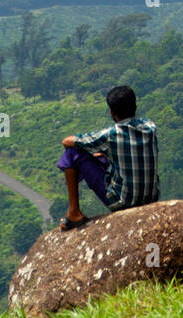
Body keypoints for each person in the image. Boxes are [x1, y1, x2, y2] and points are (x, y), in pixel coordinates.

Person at [57, 84, 159, 230]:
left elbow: (67, 142)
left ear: (112, 112)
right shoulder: (150, 127)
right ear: (135, 106)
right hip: (150, 199)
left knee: (72, 154)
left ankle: (73, 212)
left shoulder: (111, 135)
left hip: (122, 203)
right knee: (102, 156)